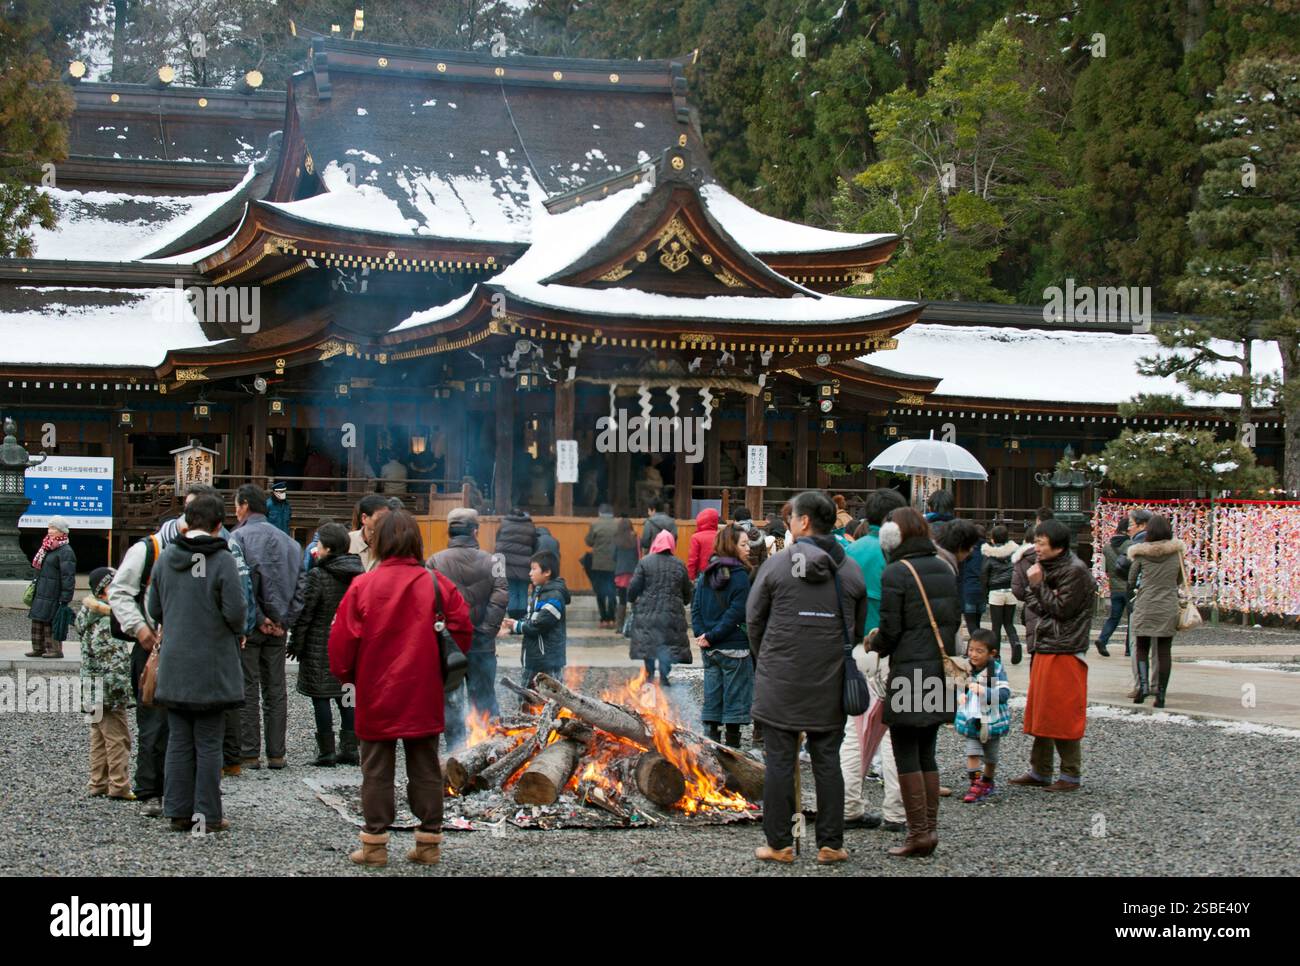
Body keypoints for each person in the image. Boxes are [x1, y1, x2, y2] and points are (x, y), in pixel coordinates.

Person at [328, 510, 473, 866]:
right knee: (425, 766)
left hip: (377, 690)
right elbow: (463, 631)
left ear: (379, 542)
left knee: (375, 769)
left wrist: (349, 677)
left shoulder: (364, 585)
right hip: (423, 690)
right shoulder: (437, 584)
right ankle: (428, 845)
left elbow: (342, 642)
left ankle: (375, 845)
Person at [748, 490, 865, 865]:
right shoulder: (849, 570)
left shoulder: (778, 565)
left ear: (802, 522)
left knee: (780, 760)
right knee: (827, 760)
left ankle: (779, 844)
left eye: (792, 519)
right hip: (829, 678)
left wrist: (766, 656)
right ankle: (831, 844)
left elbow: (754, 620)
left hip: (780, 677)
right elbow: (857, 629)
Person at [146, 495, 247, 833]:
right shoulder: (222, 560)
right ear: (219, 525)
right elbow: (236, 612)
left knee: (178, 739)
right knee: (208, 742)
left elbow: (154, 608)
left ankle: (177, 811)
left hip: (175, 663)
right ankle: (207, 814)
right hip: (212, 665)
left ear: (185, 521)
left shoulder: (166, 557)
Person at [871, 506, 960, 857]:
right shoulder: (945, 566)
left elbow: (891, 630)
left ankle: (918, 833)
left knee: (905, 749)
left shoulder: (897, 572)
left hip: (909, 669)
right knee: (928, 750)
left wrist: (874, 644)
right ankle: (930, 829)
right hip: (937, 670)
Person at [1010, 518, 1095, 792]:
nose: (1036, 547)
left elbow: (1060, 608)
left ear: (1058, 547)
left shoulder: (1075, 571)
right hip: (1046, 643)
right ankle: (1040, 769)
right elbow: (1030, 599)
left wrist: (1037, 586)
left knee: (1062, 712)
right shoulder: (1042, 567)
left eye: (1041, 543)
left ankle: (1070, 773)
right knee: (1042, 711)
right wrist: (1037, 588)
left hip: (1065, 646)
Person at [841, 488, 906, 830]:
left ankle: (849, 805)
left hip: (859, 650)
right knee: (898, 734)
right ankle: (897, 811)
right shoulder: (900, 551)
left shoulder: (853, 550)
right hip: (898, 650)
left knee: (855, 732)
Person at [232, 483, 305, 770]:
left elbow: (243, 585)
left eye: (237, 505)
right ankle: (277, 753)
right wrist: (284, 620)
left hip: (252, 627)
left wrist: (259, 618)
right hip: (279, 626)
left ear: (245, 506)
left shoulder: (238, 538)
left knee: (249, 687)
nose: (235, 511)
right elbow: (301, 587)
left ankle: (250, 753)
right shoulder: (290, 543)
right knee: (276, 687)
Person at [108, 524, 174, 816]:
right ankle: (151, 790)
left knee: (187, 723)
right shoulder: (149, 549)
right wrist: (140, 629)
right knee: (154, 721)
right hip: (151, 647)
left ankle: (179, 789)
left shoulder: (209, 547)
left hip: (188, 647)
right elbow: (119, 591)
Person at [289, 523, 364, 767]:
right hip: (351, 643)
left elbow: (306, 614)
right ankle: (351, 748)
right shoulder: (359, 574)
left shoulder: (318, 576)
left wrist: (295, 644)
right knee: (347, 696)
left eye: (319, 544)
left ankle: (326, 752)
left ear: (328, 548)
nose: (316, 549)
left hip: (319, 644)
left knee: (321, 696)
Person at [429, 507, 508, 727]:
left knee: (451, 700)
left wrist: (442, 629)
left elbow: (429, 599)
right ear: (475, 531)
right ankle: (490, 747)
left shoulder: (435, 562)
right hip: (481, 642)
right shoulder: (493, 561)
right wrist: (487, 629)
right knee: (484, 698)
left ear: (449, 532)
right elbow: (501, 596)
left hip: (448, 641)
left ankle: (456, 751)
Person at [77, 566, 135, 801]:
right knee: (118, 738)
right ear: (103, 591)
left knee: (98, 737)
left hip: (92, 689)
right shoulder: (105, 622)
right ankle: (119, 785)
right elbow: (114, 663)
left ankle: (98, 782)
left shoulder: (88, 617)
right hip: (107, 691)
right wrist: (125, 692)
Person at [692, 524, 752, 745]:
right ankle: (733, 746)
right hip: (734, 647)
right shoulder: (740, 576)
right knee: (735, 696)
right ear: (731, 546)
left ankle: (711, 744)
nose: (749, 548)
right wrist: (712, 635)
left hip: (709, 647)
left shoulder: (706, 573)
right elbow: (736, 613)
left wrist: (703, 635)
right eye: (744, 544)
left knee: (712, 696)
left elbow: (695, 607)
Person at [1127, 514, 1186, 708]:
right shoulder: (1176, 553)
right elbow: (1180, 579)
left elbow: (1131, 577)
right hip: (1168, 604)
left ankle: (1143, 688)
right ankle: (1161, 694)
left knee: (1142, 647)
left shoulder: (1141, 553)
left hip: (1145, 603)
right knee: (1163, 650)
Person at [628, 529, 692, 687]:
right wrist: (684, 601)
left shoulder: (645, 562)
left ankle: (649, 675)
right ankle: (664, 675)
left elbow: (633, 587)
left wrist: (632, 599)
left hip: (647, 611)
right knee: (667, 644)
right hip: (671, 613)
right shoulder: (679, 564)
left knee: (649, 643)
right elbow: (687, 591)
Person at [955, 629, 1012, 803]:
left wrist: (985, 691)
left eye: (979, 651)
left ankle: (987, 781)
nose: (973, 654)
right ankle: (975, 783)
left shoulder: (996, 669)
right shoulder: (966, 667)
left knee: (991, 756)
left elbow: (1004, 693)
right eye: (971, 649)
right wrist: (960, 695)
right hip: (972, 720)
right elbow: (957, 685)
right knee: (972, 753)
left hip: (991, 720)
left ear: (991, 653)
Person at [501, 550, 569, 693]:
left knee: (551, 699)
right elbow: (530, 618)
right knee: (527, 698)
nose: (530, 573)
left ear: (547, 572)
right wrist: (512, 626)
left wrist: (516, 626)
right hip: (535, 657)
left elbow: (539, 625)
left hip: (547, 660)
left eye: (533, 569)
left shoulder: (555, 596)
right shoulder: (539, 592)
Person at [26, 516, 76, 659]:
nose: (50, 531)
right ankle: (38, 648)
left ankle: (54, 650)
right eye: (49, 528)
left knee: (51, 621)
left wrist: (65, 598)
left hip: (54, 592)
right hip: (42, 590)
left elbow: (68, 576)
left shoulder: (65, 551)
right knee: (38, 619)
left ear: (62, 531)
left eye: (53, 528)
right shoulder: (47, 547)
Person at [1117, 508, 1153, 695]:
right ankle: (1156, 685)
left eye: (1131, 524)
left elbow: (1125, 570)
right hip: (1165, 602)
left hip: (1141, 598)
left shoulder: (1137, 547)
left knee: (1137, 643)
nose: (1128, 529)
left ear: (1143, 525)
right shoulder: (1173, 549)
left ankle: (1140, 684)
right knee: (1159, 646)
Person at [981, 525, 1023, 664]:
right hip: (1010, 590)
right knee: (1009, 623)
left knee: (996, 626)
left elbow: (984, 574)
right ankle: (1015, 642)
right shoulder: (1014, 552)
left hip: (996, 591)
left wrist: (985, 591)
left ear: (992, 539)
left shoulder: (989, 554)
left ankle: (996, 655)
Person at [1097, 517, 1132, 657]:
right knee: (1132, 619)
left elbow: (1105, 569)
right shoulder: (1131, 545)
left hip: (1114, 587)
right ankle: (1129, 649)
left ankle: (1102, 639)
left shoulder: (1107, 547)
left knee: (1114, 617)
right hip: (1128, 587)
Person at [496, 507, 538, 620]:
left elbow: (498, 541)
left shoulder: (504, 524)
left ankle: (512, 619)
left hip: (508, 564)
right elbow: (534, 544)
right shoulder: (530, 525)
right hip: (525, 564)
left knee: (512, 591)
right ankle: (521, 619)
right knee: (523, 591)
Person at [585, 504, 620, 628]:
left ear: (600, 513)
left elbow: (589, 542)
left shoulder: (595, 525)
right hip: (614, 563)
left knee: (600, 591)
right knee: (611, 590)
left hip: (598, 564)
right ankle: (612, 619)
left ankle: (603, 619)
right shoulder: (617, 525)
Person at [348, 494, 390, 573]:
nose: (385, 522)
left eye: (387, 518)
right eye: (380, 518)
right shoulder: (349, 540)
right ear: (364, 518)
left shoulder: (393, 543)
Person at [612, 517, 639, 630]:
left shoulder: (616, 539)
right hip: (633, 572)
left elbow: (613, 556)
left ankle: (619, 626)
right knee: (633, 599)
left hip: (620, 572)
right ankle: (635, 624)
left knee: (622, 599)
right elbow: (639, 554)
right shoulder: (636, 538)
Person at [687, 506, 719, 582]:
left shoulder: (696, 537)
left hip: (702, 574)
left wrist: (691, 578)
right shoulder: (720, 535)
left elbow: (692, 560)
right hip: (719, 572)